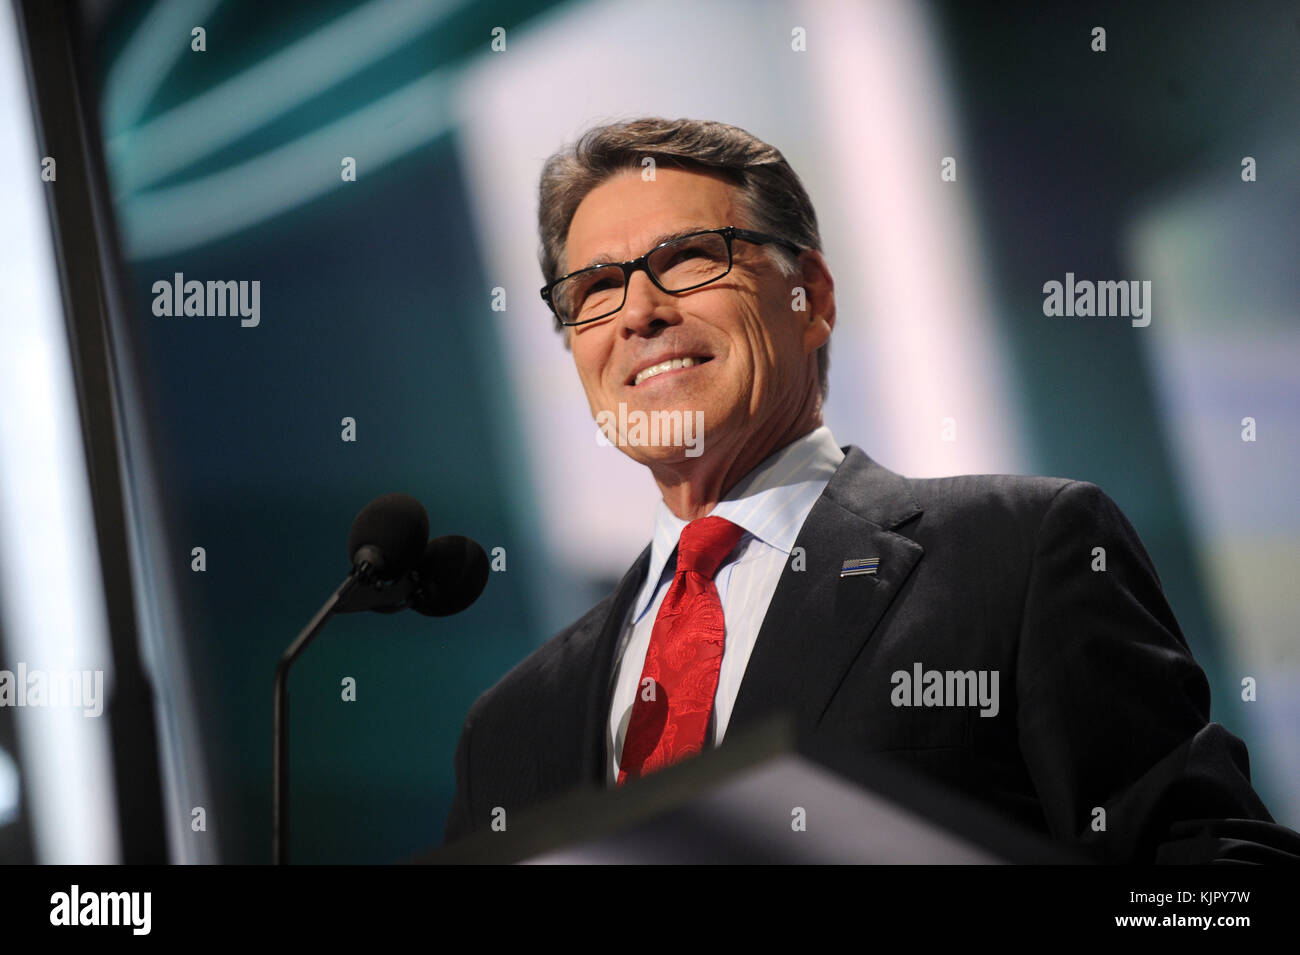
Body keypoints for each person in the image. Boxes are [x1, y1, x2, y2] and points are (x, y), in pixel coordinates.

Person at [443, 117, 1295, 863]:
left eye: (689, 259)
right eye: (594, 289)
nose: (638, 312)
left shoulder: (1022, 552)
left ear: (809, 298)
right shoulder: (509, 729)